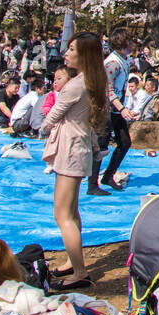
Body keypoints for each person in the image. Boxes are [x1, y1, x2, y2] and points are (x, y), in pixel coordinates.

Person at [40, 31, 108, 291]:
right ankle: (72, 261)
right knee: (71, 211)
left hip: (70, 150)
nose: (66, 54)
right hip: (77, 148)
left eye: (71, 50)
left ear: (84, 55)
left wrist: (41, 127)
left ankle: (79, 271)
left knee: (62, 214)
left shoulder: (76, 85)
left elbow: (53, 115)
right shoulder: (90, 80)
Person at [96, 28, 136, 192]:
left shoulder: (124, 59)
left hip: (117, 108)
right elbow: (108, 89)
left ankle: (108, 176)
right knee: (101, 147)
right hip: (106, 109)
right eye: (130, 41)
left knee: (125, 142)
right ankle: (92, 183)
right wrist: (122, 108)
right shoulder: (113, 63)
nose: (133, 44)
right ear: (123, 43)